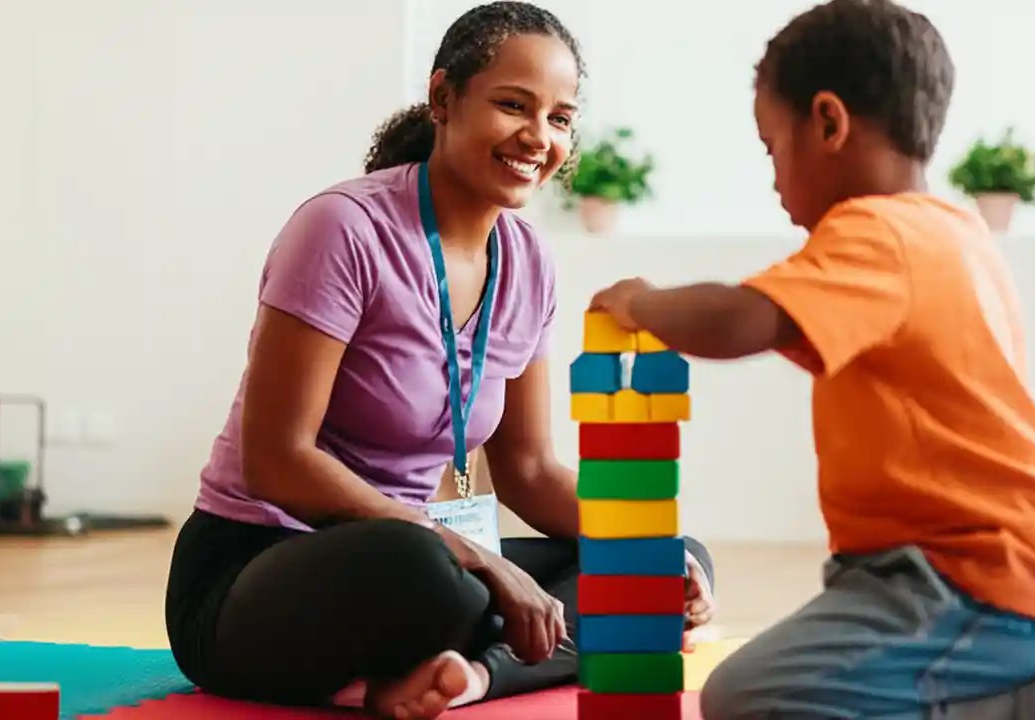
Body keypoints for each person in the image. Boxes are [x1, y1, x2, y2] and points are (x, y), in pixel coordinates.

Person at [589, 0, 1035, 717]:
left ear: (829, 123)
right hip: (946, 572)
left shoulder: (879, 233)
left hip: (968, 579)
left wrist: (642, 303)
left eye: (772, 147)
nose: (774, 179)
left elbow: (738, 320)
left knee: (745, 694)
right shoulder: (950, 230)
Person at [163, 3, 715, 719]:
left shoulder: (528, 262)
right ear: (443, 98)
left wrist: (649, 547)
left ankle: (472, 677)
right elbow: (277, 461)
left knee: (664, 557)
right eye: (513, 105)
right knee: (429, 573)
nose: (538, 136)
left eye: (559, 117)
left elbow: (529, 470)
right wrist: (474, 556)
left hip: (430, 560)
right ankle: (494, 647)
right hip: (257, 570)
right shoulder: (342, 229)